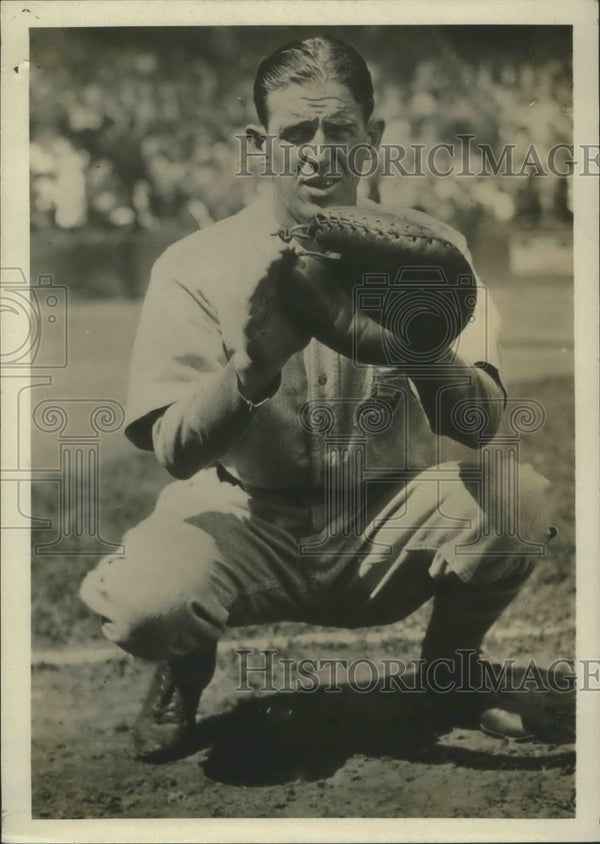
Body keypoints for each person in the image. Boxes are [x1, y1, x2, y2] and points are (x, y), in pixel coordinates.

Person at [80, 36, 553, 760]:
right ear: (258, 143)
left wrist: (418, 347)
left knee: (518, 497)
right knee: (149, 602)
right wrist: (249, 371)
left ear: (375, 138)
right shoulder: (196, 263)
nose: (318, 152)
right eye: (296, 132)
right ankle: (185, 666)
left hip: (387, 521)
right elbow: (175, 453)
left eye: (340, 129)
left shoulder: (433, 249)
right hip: (250, 520)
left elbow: (481, 425)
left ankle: (450, 670)